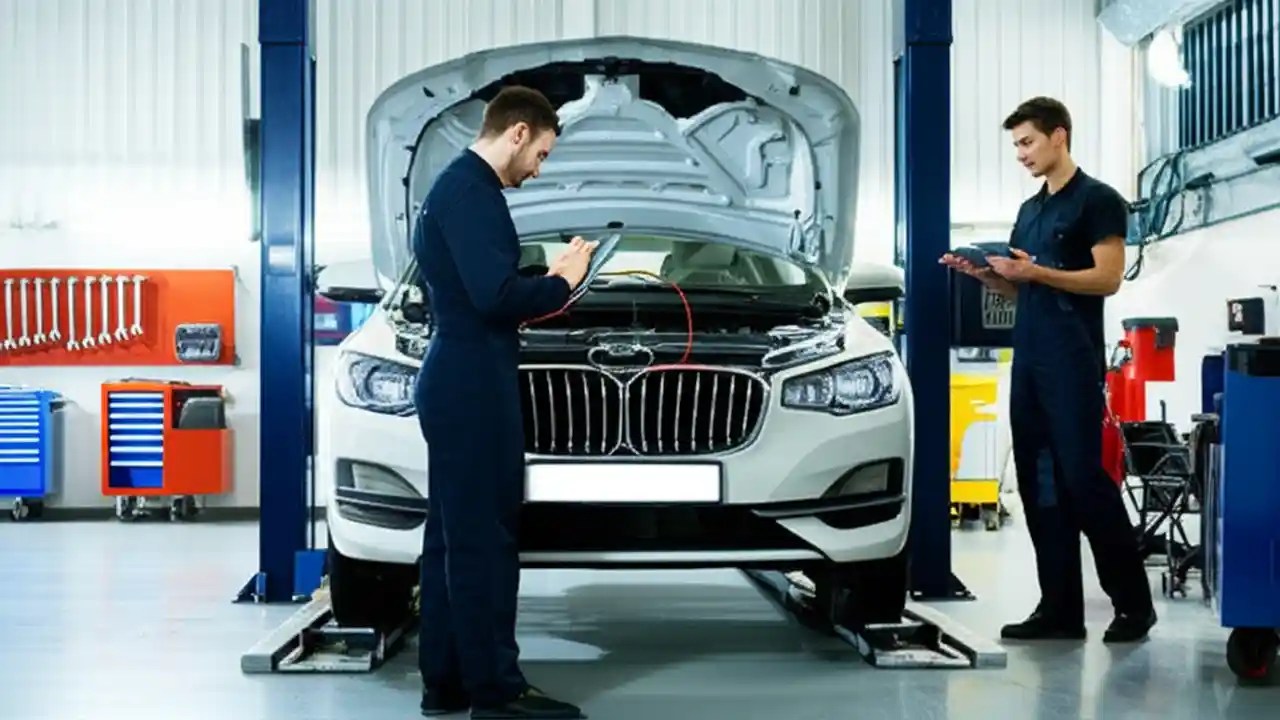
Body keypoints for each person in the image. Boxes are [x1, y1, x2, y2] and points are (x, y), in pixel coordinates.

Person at [940, 96, 1157, 643]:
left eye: (1028, 142)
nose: (1021, 154)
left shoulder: (1099, 201)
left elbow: (1106, 280)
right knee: (1040, 488)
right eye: (1016, 145)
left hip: (1073, 361)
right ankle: (1059, 609)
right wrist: (987, 278)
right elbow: (1024, 287)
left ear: (1059, 136)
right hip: (1030, 359)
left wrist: (1036, 272)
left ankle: (1133, 604)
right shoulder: (1030, 211)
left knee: (1083, 481)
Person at [411, 85, 596, 719]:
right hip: (471, 383)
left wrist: (543, 282)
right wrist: (560, 281)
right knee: (484, 541)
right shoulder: (473, 193)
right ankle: (498, 693)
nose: (539, 169)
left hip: (462, 375)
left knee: (451, 539)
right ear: (517, 133)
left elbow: (480, 287)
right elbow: (494, 296)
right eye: (541, 154)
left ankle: (448, 683)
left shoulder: (458, 189)